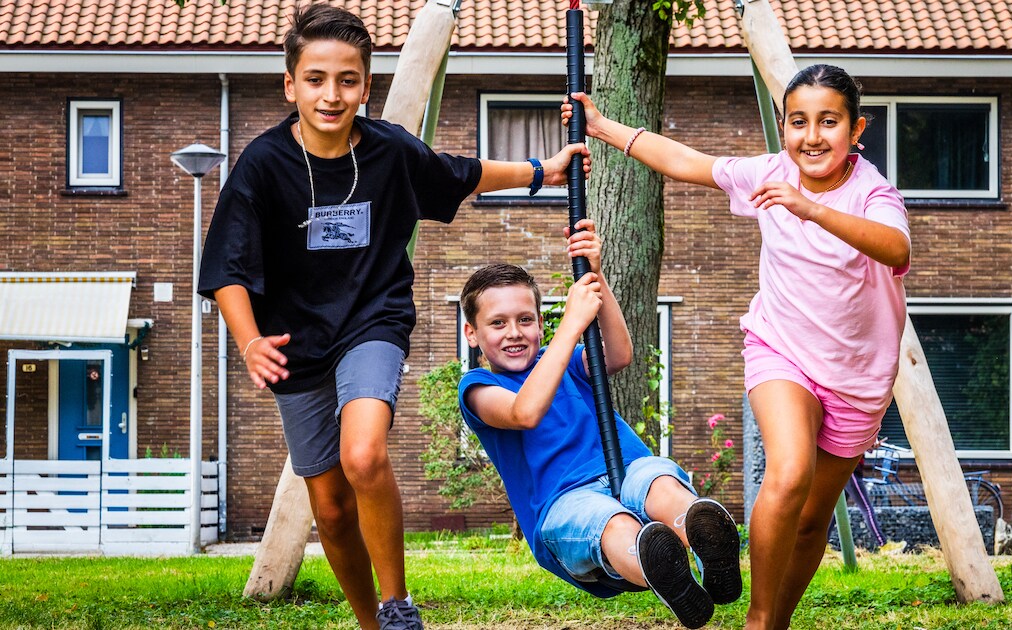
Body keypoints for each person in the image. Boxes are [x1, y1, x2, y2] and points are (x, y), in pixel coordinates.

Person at [197, 4, 588, 629]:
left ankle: (397, 601)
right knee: (328, 506)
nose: (332, 94)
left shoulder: (386, 151)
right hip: (294, 342)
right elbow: (227, 271)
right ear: (290, 85)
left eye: (347, 80)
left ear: (366, 85)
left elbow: (461, 175)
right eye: (317, 79)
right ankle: (372, 623)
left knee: (364, 454)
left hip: (371, 322)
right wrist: (248, 343)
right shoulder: (262, 166)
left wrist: (542, 171)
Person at [563, 64, 911, 629]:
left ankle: (775, 621)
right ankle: (756, 618)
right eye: (798, 122)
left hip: (857, 377)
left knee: (810, 519)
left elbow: (895, 248)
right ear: (783, 126)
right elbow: (687, 162)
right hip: (782, 351)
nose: (812, 136)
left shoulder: (873, 191)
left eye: (829, 122)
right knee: (790, 470)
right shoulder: (769, 172)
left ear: (856, 128)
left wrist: (812, 208)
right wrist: (604, 128)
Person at [457, 220, 742, 630]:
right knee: (610, 524)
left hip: (625, 469)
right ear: (472, 333)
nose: (515, 333)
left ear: (540, 323)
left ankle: (704, 541)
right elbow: (525, 412)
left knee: (658, 480)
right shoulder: (479, 387)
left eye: (525, 319)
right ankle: (661, 569)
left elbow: (619, 354)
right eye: (498, 323)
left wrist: (596, 276)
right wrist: (571, 324)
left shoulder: (567, 363)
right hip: (565, 502)